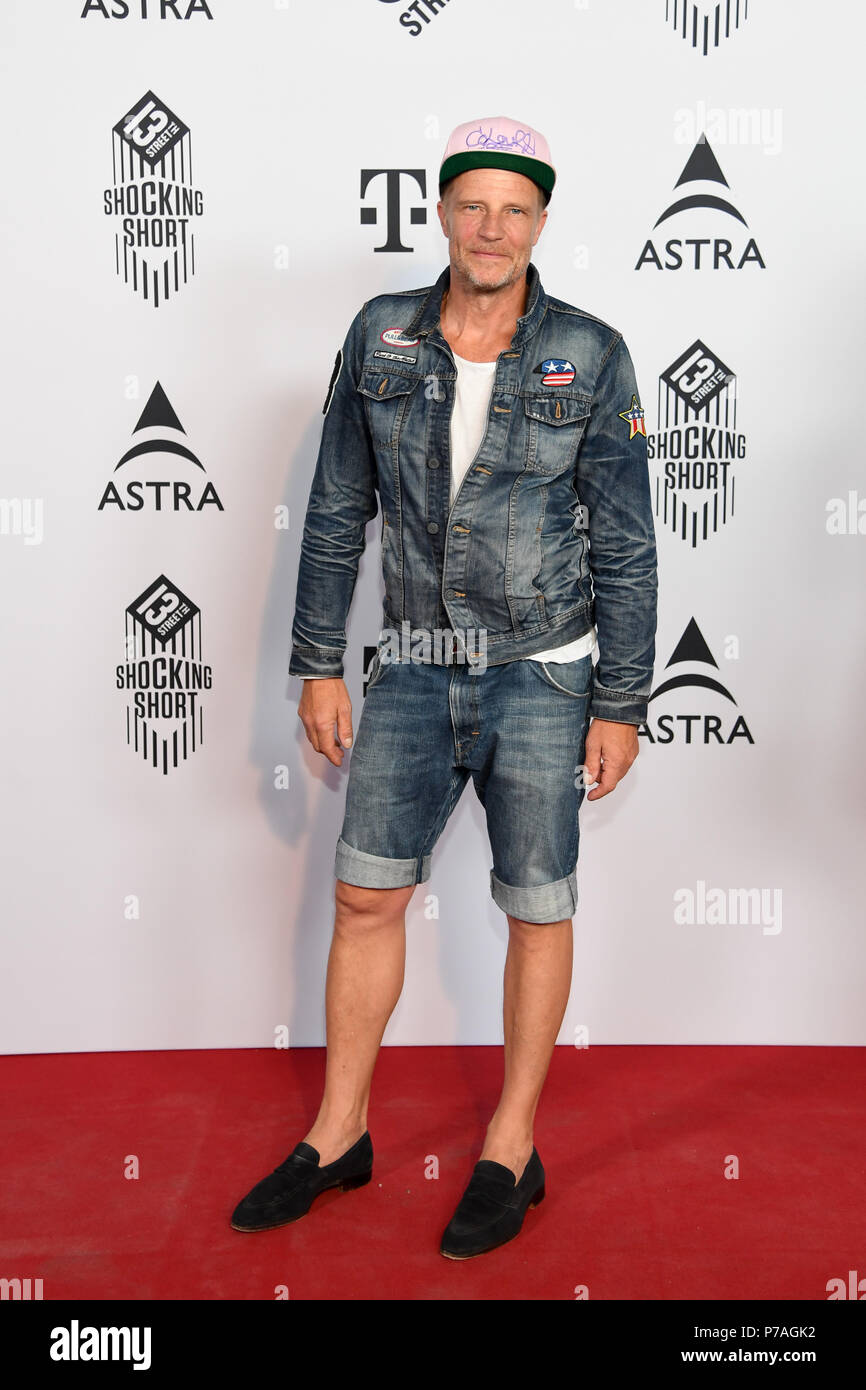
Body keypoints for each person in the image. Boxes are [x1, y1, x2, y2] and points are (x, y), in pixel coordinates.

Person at [231, 116, 658, 1260]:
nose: (491, 228)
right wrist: (316, 662)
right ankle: (338, 1133)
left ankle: (510, 1147)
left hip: (543, 672)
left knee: (536, 904)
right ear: (441, 213)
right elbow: (337, 509)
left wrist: (621, 701)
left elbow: (624, 542)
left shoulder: (590, 351)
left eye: (514, 210)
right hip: (411, 666)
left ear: (540, 223)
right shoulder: (379, 335)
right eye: (473, 205)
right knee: (364, 896)